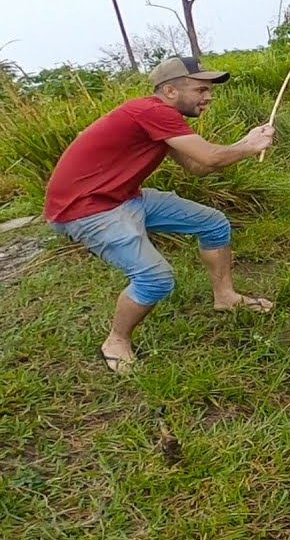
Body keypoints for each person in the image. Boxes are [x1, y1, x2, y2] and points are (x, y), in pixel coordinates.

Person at [43, 56, 276, 372]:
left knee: (213, 223)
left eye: (209, 90)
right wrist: (249, 145)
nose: (208, 97)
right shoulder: (151, 111)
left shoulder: (160, 117)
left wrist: (245, 143)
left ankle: (226, 297)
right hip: (87, 210)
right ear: (169, 90)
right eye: (200, 90)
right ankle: (116, 340)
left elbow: (196, 166)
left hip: (125, 198)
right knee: (155, 279)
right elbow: (209, 158)